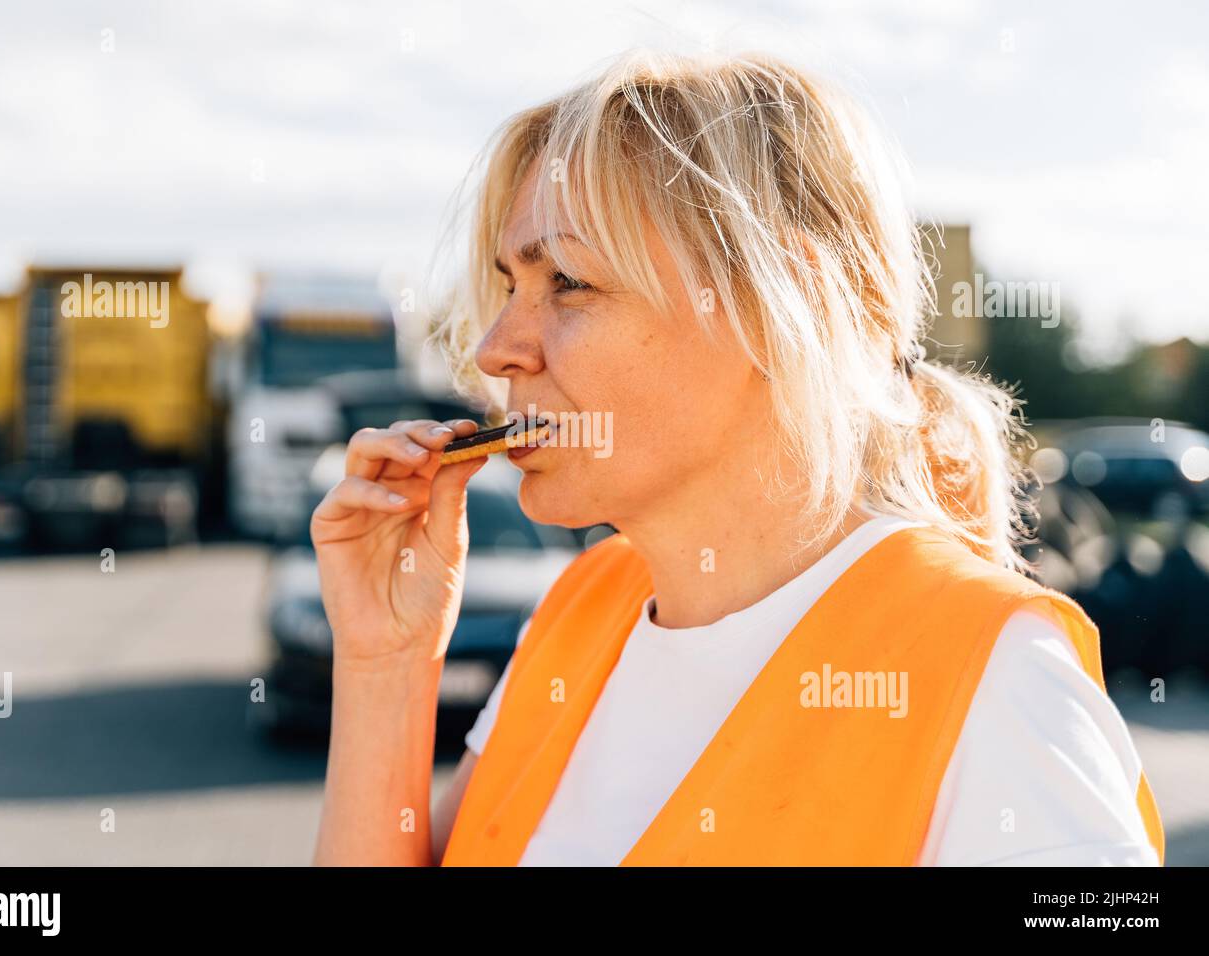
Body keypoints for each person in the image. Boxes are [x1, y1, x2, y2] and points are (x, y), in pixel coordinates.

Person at [311, 49, 1163, 866]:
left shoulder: (1001, 677)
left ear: (774, 304)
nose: (497, 350)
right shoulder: (579, 611)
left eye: (568, 281)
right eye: (508, 286)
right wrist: (386, 661)